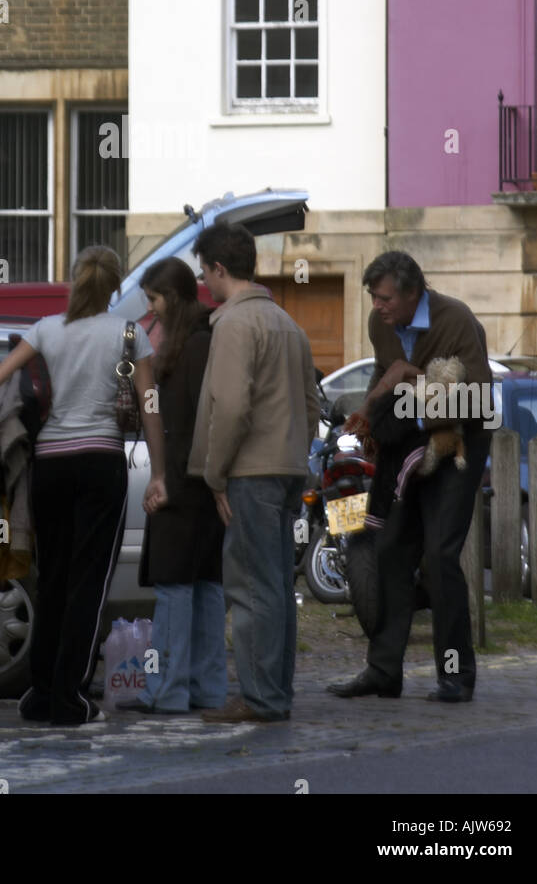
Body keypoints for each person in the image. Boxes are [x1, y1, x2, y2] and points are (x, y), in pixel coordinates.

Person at [0, 245, 168, 727]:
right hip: (100, 462)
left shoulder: (44, 329)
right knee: (90, 582)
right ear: (115, 286)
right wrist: (161, 473)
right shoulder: (130, 334)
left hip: (49, 465)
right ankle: (71, 696)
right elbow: (149, 404)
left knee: (54, 580)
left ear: (73, 280)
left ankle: (40, 692)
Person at [327, 251, 492, 704]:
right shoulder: (381, 324)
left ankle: (456, 675)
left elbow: (479, 400)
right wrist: (375, 417)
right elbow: (384, 372)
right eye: (373, 298)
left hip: (456, 445)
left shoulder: (454, 318)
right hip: (405, 444)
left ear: (412, 291)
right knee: (390, 550)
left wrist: (409, 379)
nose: (377, 306)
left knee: (440, 555)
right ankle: (383, 672)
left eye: (384, 298)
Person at [187, 224, 320, 724]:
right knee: (277, 588)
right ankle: (273, 693)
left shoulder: (234, 324)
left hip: (250, 472)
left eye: (205, 271)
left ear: (219, 268)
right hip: (286, 468)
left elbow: (233, 405)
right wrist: (294, 455)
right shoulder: (287, 322)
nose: (205, 282)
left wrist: (216, 474)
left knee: (250, 589)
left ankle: (261, 698)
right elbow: (310, 406)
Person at [121, 257, 226, 714]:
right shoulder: (203, 340)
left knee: (175, 587)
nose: (151, 308)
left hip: (185, 477)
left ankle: (166, 690)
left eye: (155, 298)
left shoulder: (194, 346)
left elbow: (191, 419)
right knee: (203, 585)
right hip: (200, 477)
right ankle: (204, 688)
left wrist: (165, 477)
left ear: (176, 297)